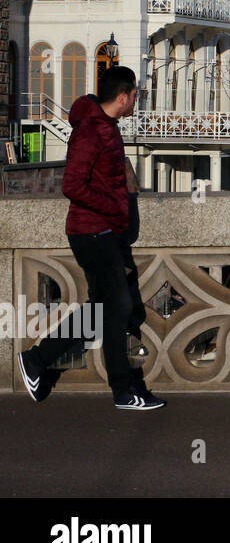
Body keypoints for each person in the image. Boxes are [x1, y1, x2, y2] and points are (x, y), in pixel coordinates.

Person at [17, 66, 165, 410]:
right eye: (136, 95)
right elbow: (72, 185)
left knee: (105, 308)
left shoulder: (105, 126)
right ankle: (121, 390)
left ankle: (39, 360)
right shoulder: (92, 131)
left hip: (101, 231)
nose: (137, 100)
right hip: (92, 232)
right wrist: (113, 209)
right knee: (119, 307)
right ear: (123, 96)